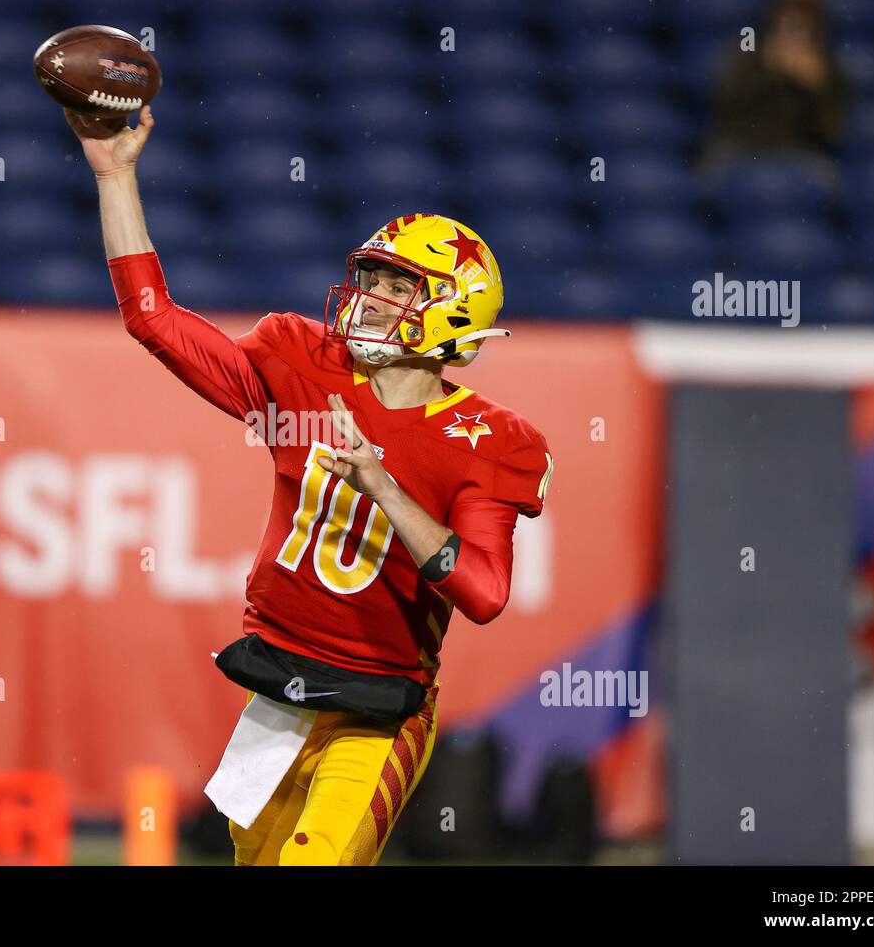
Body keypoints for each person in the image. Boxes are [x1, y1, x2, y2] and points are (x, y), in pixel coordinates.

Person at [67, 104, 552, 865]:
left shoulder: (489, 441)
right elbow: (153, 320)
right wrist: (115, 175)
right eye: (371, 280)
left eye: (398, 288)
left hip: (383, 704)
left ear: (451, 315)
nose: (368, 299)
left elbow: (486, 593)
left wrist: (386, 488)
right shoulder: (305, 363)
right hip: (284, 683)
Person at [701, 0, 849, 173]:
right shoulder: (747, 56)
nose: (794, 35)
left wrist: (815, 87)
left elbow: (831, 131)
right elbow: (725, 106)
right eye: (788, 24)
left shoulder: (827, 70)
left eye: (802, 27)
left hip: (798, 150)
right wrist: (767, 72)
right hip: (739, 145)